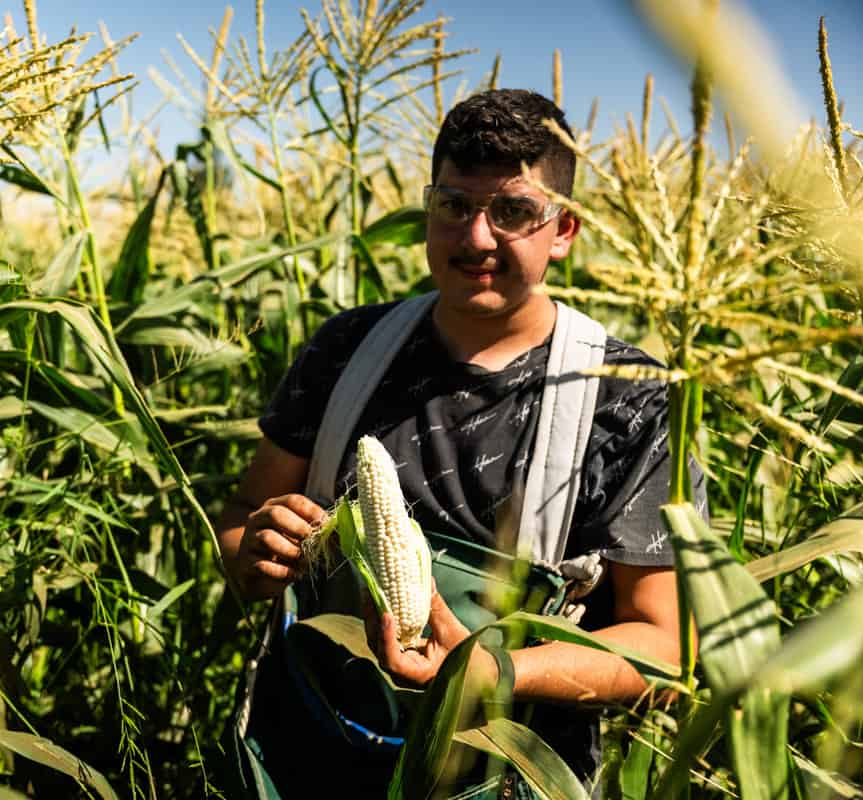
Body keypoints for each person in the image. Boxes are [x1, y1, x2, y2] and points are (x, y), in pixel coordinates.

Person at [216, 88, 692, 798]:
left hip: (501, 775)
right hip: (308, 753)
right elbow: (240, 519)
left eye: (512, 212)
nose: (476, 238)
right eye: (454, 206)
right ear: (428, 210)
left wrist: (494, 668)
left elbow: (662, 654)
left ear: (563, 230)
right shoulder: (346, 349)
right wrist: (253, 554)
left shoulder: (629, 397)